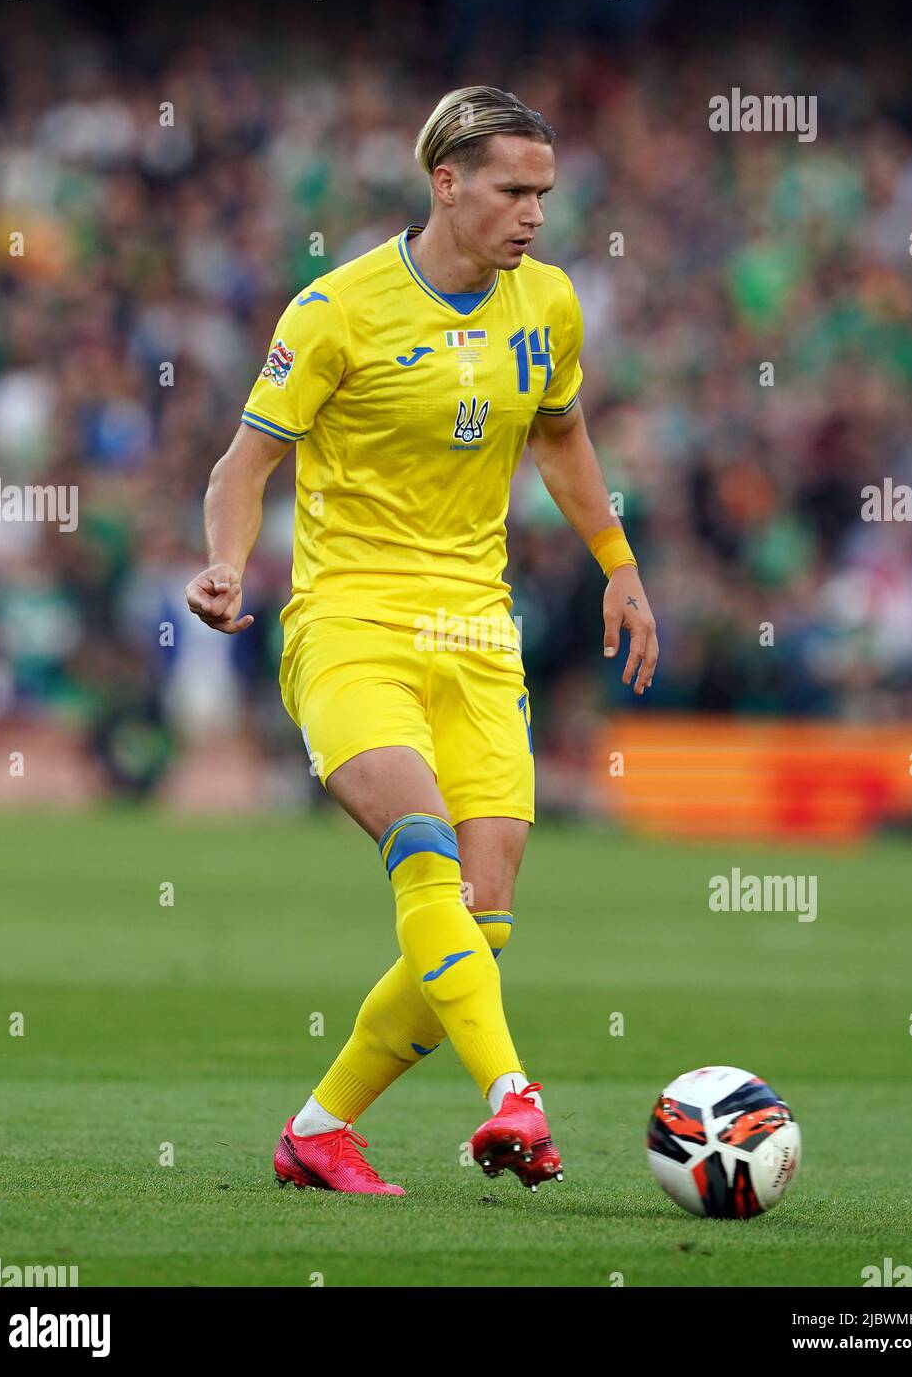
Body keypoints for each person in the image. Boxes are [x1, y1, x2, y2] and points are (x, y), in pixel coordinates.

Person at [185, 85, 657, 1196]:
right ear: (446, 183)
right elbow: (244, 463)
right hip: (351, 624)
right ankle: (514, 1098)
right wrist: (225, 560)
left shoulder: (549, 304)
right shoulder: (335, 310)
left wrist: (619, 563)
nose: (533, 213)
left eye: (544, 193)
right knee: (424, 851)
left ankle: (317, 1131)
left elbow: (562, 436)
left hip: (480, 637)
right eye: (512, 190)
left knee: (481, 925)